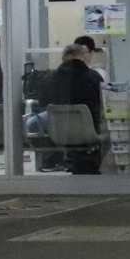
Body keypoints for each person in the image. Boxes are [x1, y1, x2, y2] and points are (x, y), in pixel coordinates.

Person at [46, 44, 106, 174]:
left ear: (63, 59)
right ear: (84, 57)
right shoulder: (94, 77)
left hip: (59, 131)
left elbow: (43, 103)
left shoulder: (50, 78)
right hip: (89, 131)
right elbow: (104, 104)